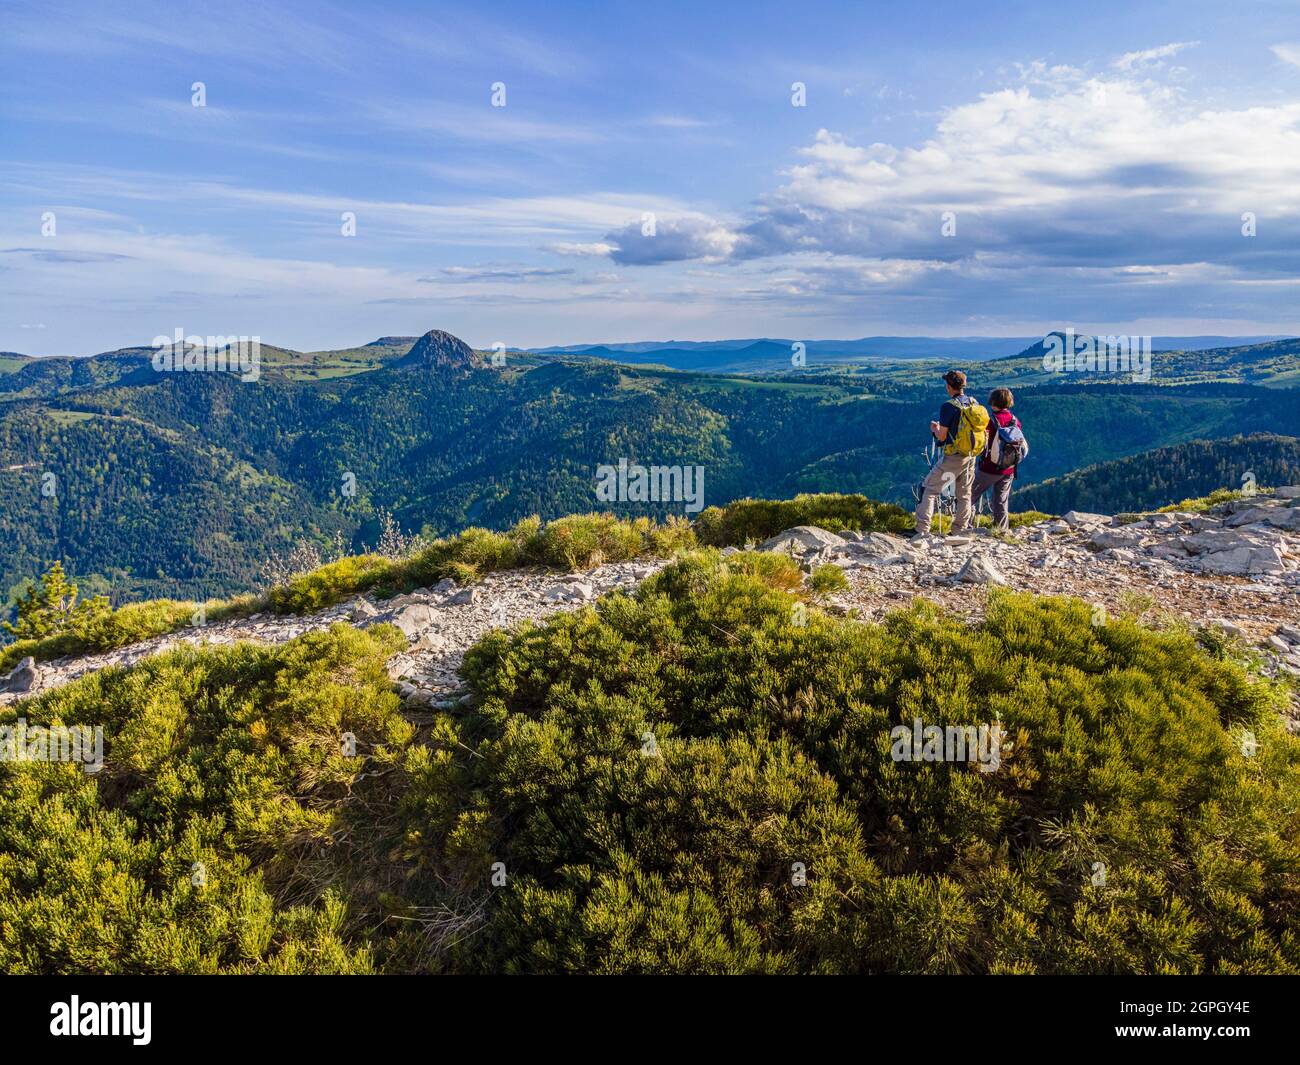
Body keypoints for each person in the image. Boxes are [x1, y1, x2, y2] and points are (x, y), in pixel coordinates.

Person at [914, 370, 988, 537]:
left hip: (954, 456)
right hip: (971, 454)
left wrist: (935, 429)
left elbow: (942, 436)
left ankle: (921, 530)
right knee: (964, 493)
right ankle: (959, 530)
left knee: (929, 488)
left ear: (948, 386)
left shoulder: (948, 406)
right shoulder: (973, 403)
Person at [971, 387, 1026, 532]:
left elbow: (982, 441)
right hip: (1009, 469)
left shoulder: (990, 420)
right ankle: (1001, 530)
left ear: (993, 401)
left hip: (988, 468)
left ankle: (963, 526)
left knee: (970, 495)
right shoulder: (1015, 420)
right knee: (1001, 501)